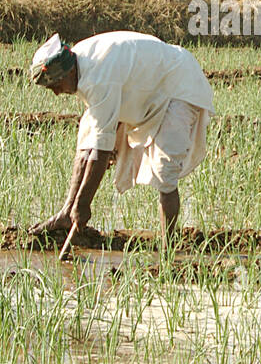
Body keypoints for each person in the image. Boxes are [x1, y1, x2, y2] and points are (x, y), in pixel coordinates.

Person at [27, 31, 214, 248]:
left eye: (55, 86)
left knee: (165, 173)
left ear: (67, 72)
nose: (57, 93)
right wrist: (74, 207)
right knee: (87, 133)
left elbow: (100, 152)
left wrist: (84, 205)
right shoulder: (79, 63)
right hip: (145, 88)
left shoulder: (98, 77)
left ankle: (167, 252)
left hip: (179, 85)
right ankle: (65, 213)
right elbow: (90, 148)